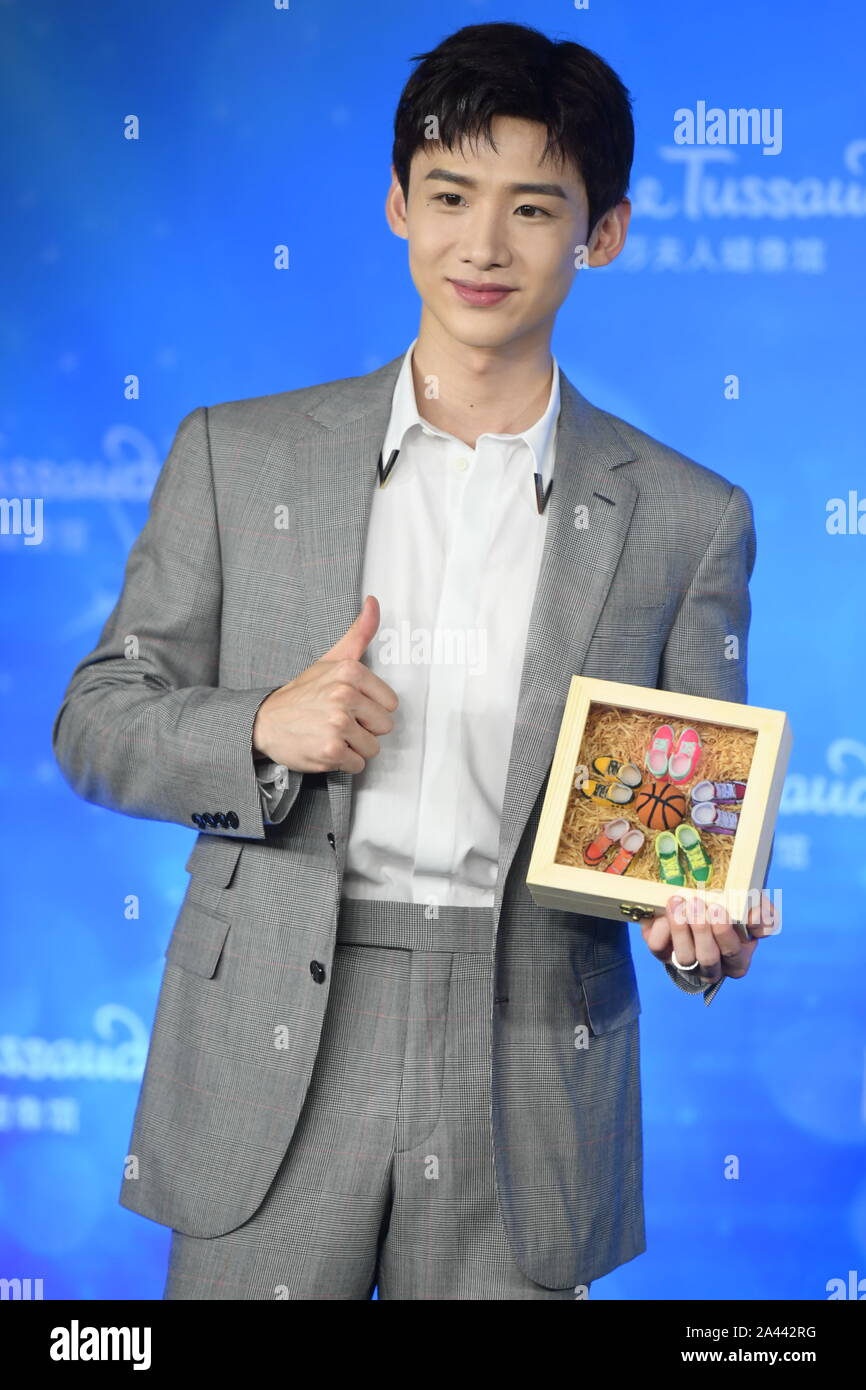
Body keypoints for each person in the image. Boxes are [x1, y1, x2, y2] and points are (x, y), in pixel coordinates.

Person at [51, 20, 778, 1300]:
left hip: (524, 1047)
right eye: (449, 197)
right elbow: (96, 719)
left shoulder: (683, 514)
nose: (481, 246)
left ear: (600, 231)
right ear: (398, 205)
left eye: (533, 208)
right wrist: (259, 728)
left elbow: (684, 839)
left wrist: (695, 930)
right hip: (273, 1024)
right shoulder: (238, 456)